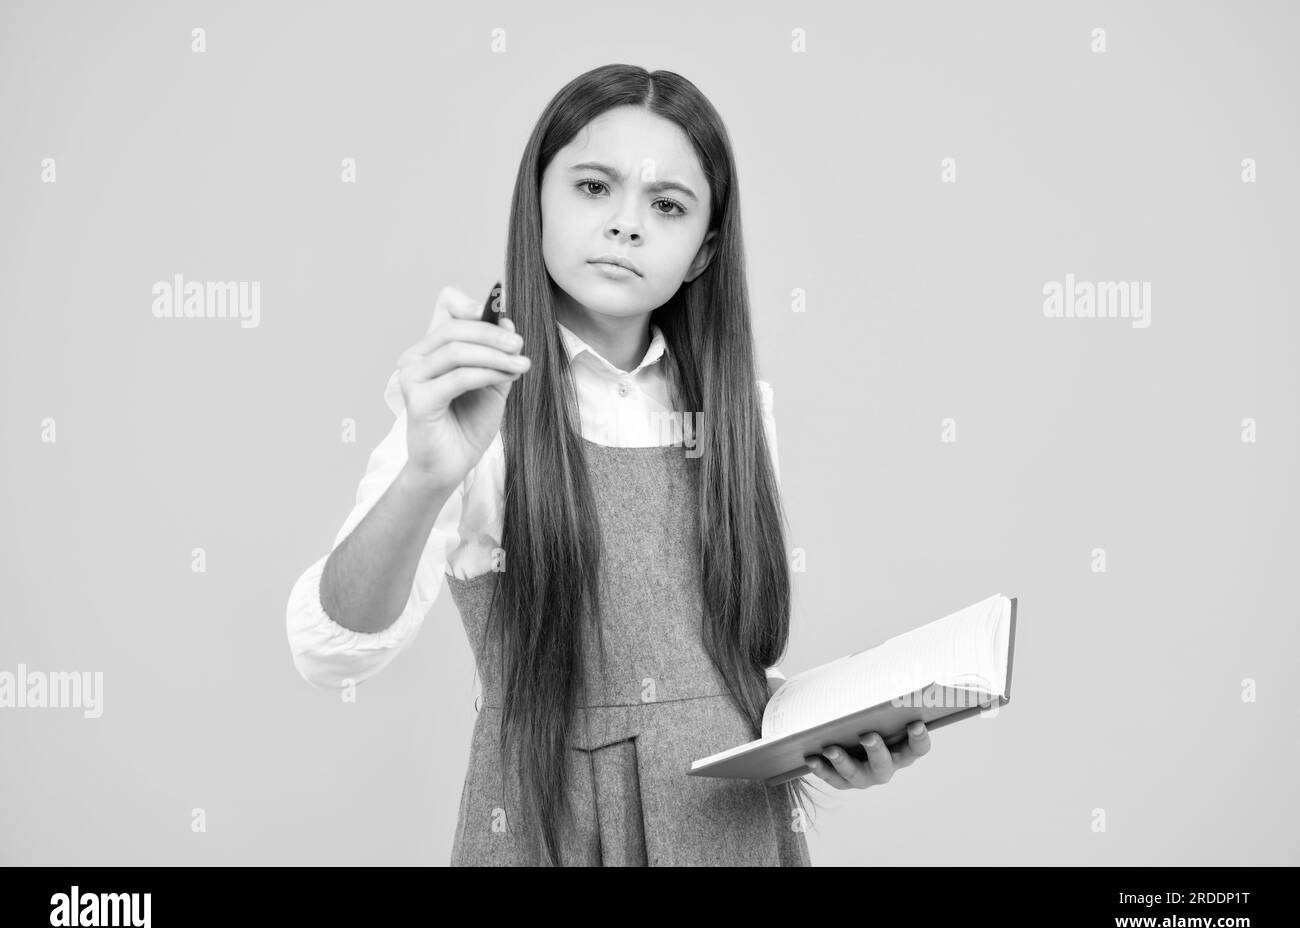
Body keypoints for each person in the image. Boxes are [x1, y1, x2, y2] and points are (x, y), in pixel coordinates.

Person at [285, 64, 931, 867]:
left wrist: (827, 736)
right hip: (548, 829)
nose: (627, 225)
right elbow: (332, 649)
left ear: (702, 253)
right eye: (594, 188)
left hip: (731, 831)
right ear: (538, 203)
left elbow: (716, 667)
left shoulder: (736, 408)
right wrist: (427, 475)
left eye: (667, 206)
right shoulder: (472, 398)